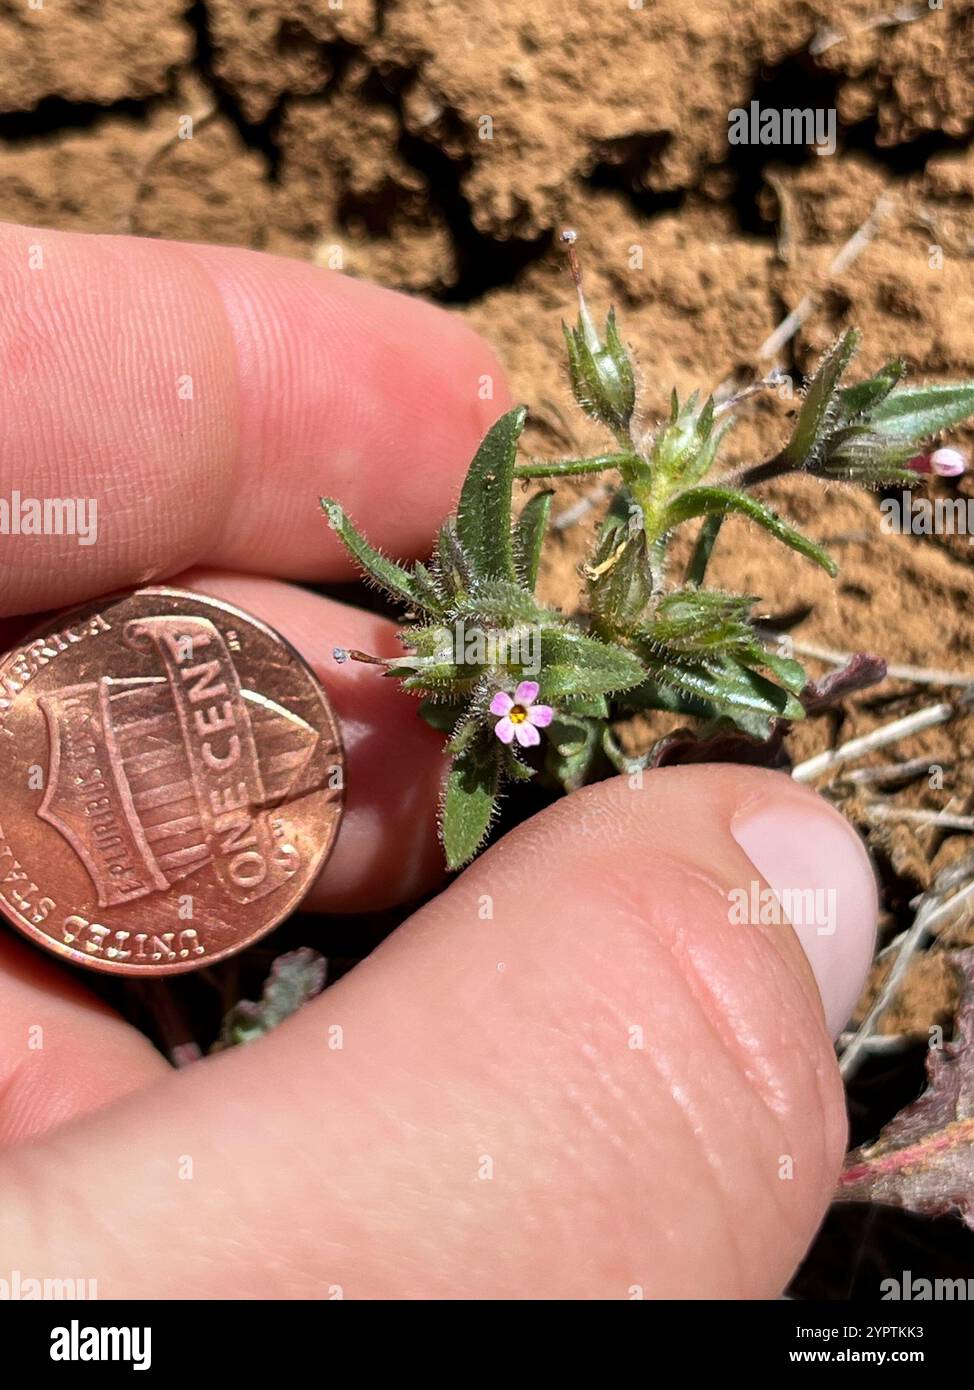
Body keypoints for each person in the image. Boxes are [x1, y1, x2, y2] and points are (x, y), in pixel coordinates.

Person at [0, 221, 876, 1299]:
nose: (522, 707)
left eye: (521, 704)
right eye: (516, 704)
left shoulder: (538, 675)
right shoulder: (499, 687)